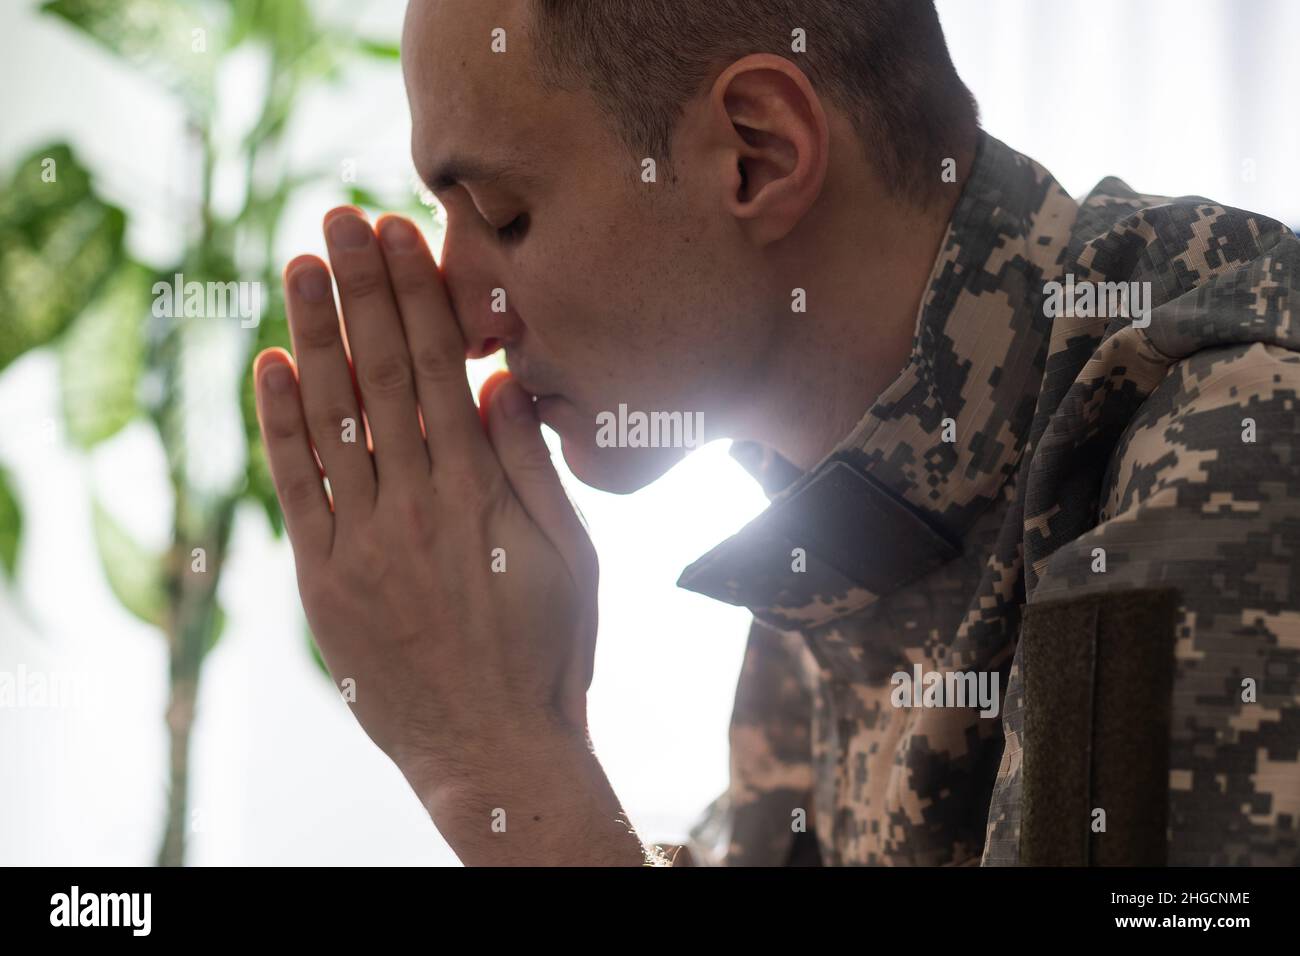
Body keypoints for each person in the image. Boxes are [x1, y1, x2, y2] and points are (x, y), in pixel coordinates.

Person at [251, 0, 1300, 865]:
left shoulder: (1228, 432)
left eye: (504, 214)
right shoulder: (839, 524)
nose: (472, 317)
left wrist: (494, 755)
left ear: (755, 154)